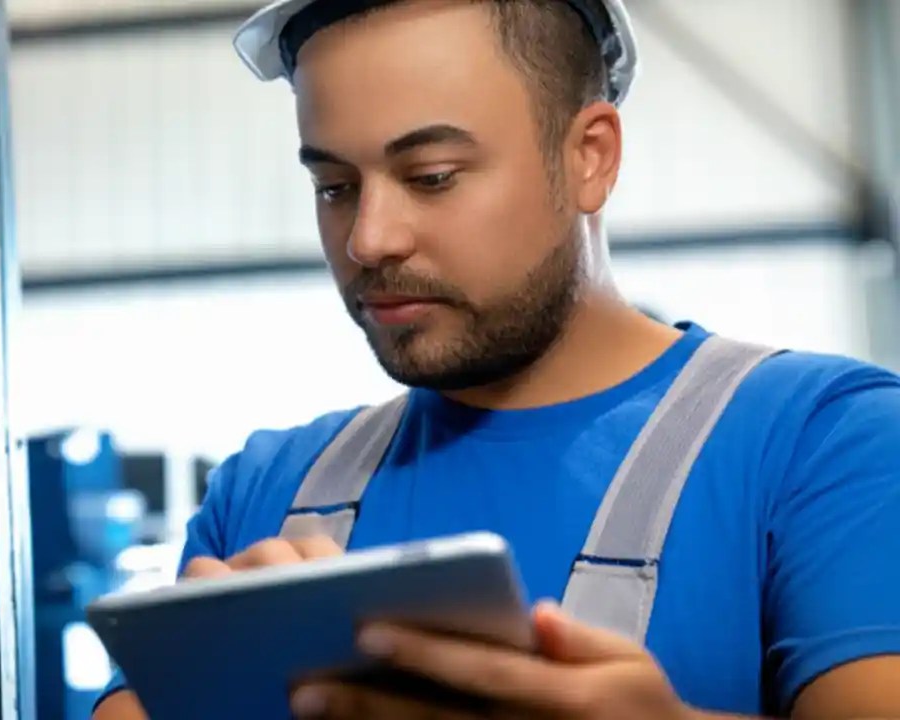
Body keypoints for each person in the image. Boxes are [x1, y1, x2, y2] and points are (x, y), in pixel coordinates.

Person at [95, 1, 900, 718]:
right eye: (336, 187)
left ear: (590, 156)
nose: (369, 240)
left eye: (432, 177)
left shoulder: (826, 443)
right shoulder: (266, 491)